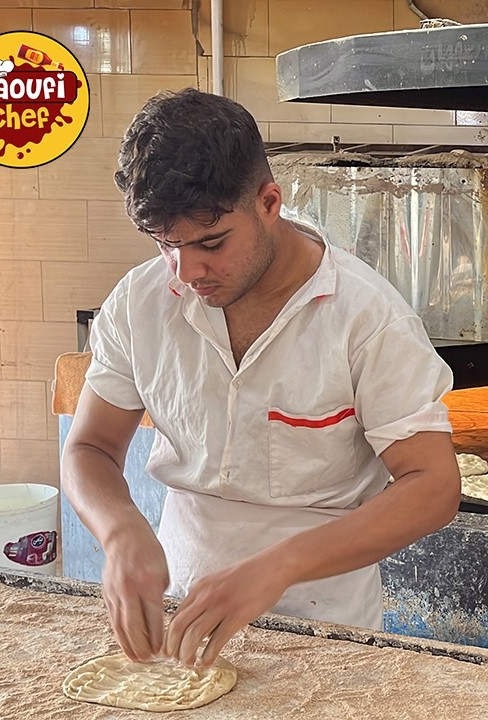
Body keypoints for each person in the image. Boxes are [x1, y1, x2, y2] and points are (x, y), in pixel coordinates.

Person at [61, 88, 461, 669]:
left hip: (326, 624)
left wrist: (278, 564)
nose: (187, 270)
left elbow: (432, 485)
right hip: (180, 609)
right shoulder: (141, 301)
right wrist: (120, 531)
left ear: (269, 202)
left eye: (211, 243)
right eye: (166, 245)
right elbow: (91, 446)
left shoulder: (365, 316)